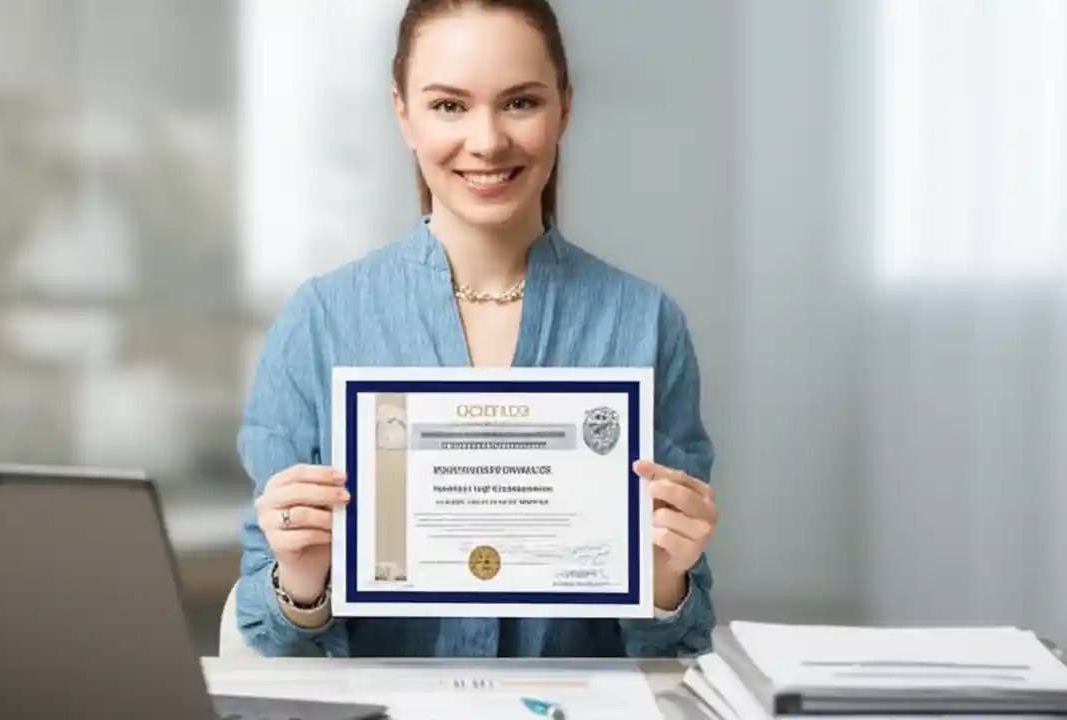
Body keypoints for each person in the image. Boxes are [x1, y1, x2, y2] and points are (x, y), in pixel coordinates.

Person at [234, 0, 718, 658]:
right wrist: (301, 576)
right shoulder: (321, 321)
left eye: (520, 102)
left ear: (565, 110)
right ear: (402, 113)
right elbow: (272, 641)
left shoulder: (643, 323)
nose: (488, 141)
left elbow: (678, 647)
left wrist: (665, 577)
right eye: (449, 106)